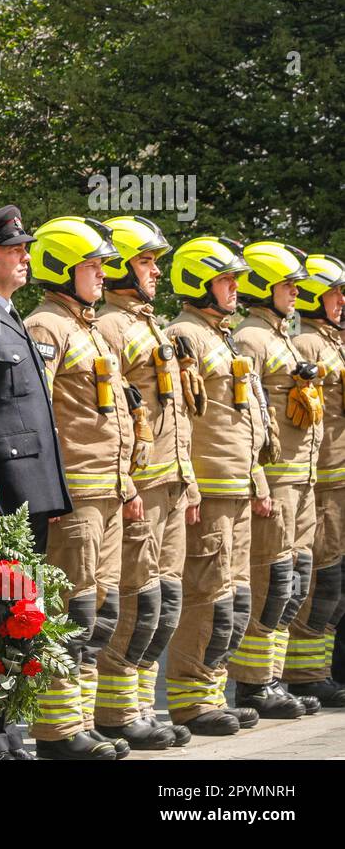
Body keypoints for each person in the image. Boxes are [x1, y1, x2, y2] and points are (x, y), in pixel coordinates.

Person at [0, 204, 71, 760]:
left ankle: (6, 732)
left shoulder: (6, 314)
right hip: (0, 493)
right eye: (15, 249)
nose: (26, 256)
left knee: (18, 616)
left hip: (28, 491)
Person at [23, 216, 134, 760]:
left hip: (109, 491)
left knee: (101, 610)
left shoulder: (86, 326)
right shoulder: (47, 328)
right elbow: (34, 415)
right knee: (71, 612)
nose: (100, 275)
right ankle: (57, 734)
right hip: (77, 496)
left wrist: (128, 483)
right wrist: (49, 495)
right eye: (91, 266)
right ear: (61, 269)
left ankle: (82, 724)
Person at [92, 216, 197, 749]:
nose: (156, 270)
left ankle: (135, 706)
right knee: (134, 601)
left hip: (171, 486)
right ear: (120, 267)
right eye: (146, 260)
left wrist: (189, 481)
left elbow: (176, 413)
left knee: (164, 600)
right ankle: (115, 713)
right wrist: (127, 486)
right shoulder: (111, 326)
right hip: (138, 493)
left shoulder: (148, 323)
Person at [163, 237, 265, 735]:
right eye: (226, 279)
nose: (235, 288)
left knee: (233, 598)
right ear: (199, 282)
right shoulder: (185, 335)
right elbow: (180, 419)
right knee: (207, 595)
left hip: (238, 484)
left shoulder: (219, 334)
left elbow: (244, 415)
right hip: (210, 485)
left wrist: (257, 475)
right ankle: (191, 701)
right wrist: (190, 486)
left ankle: (212, 690)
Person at [228, 240, 320, 718]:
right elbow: (248, 417)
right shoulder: (250, 339)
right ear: (264, 286)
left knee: (295, 582)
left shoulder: (281, 335)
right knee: (271, 582)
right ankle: (252, 685)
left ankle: (274, 678)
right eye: (287, 285)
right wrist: (259, 480)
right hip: (276, 482)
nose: (295, 293)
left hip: (302, 480)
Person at [285, 254, 345, 704]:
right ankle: (307, 675)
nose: (341, 301)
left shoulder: (332, 339)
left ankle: (322, 669)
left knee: (336, 582)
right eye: (333, 293)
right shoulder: (307, 343)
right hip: (323, 479)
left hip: (338, 478)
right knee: (323, 577)